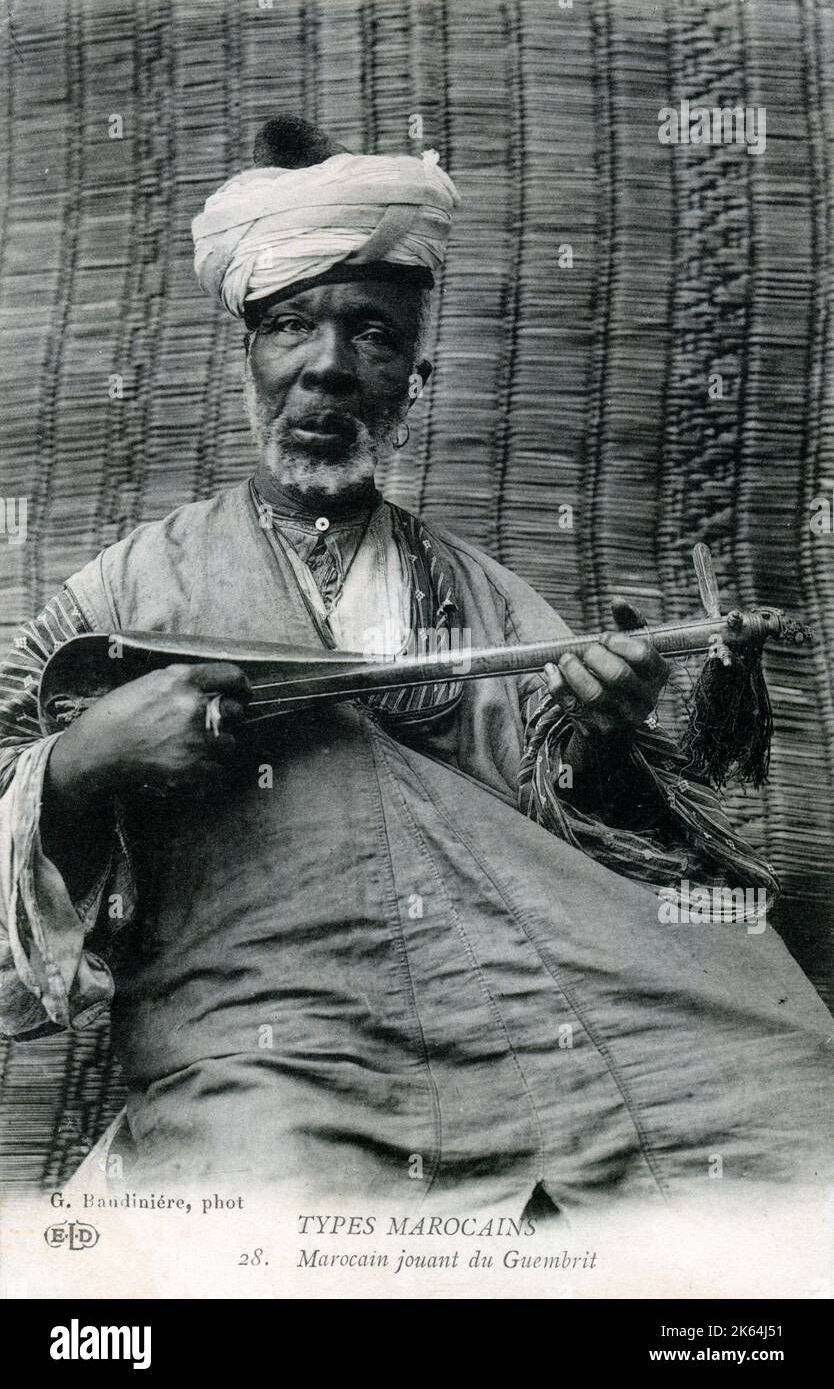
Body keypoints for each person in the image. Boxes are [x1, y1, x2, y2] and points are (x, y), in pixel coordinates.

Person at [0, 116, 830, 1213]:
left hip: (509, 1003)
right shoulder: (124, 593)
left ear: (415, 376)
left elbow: (581, 846)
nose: (329, 369)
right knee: (281, 1209)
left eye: (374, 335)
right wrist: (83, 760)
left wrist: (597, 735)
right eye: (293, 325)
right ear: (249, 350)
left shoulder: (481, 595)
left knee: (785, 1105)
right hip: (272, 1029)